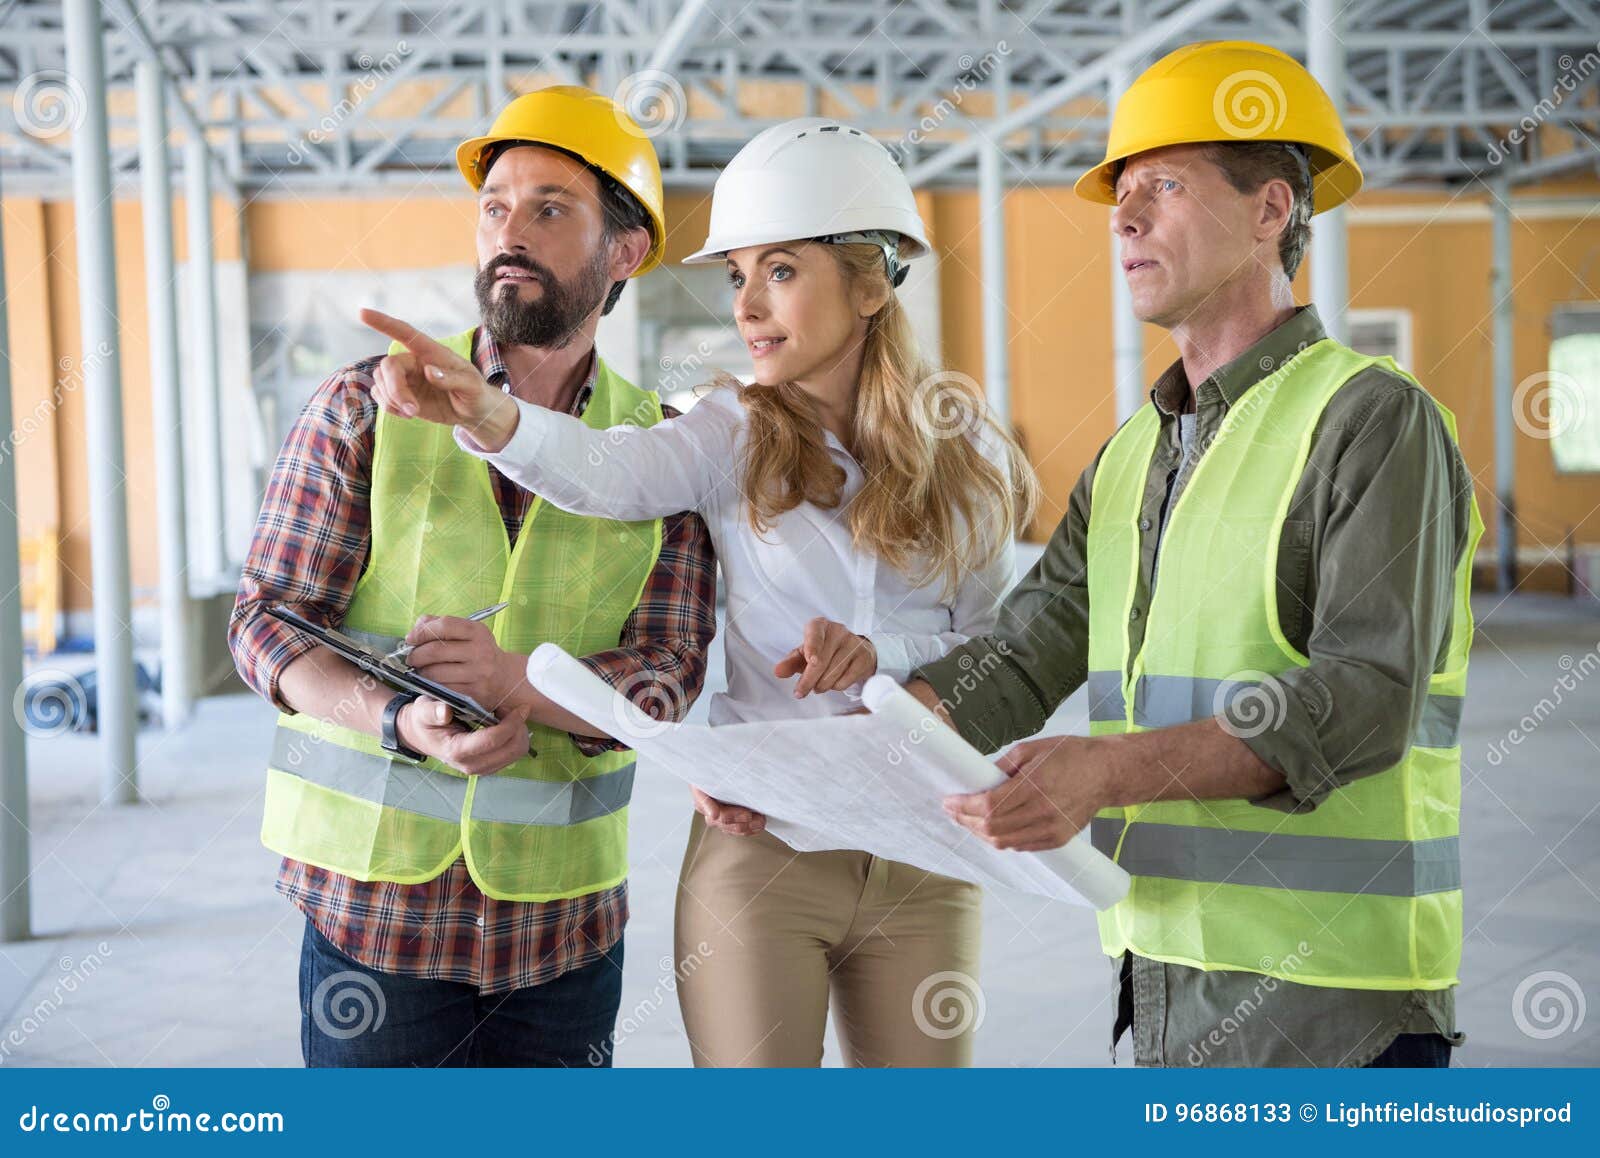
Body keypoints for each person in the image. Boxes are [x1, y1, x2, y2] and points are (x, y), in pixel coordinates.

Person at [360, 116, 1040, 1067]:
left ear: (874, 279)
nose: (748, 306)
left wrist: (882, 658)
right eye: (737, 276)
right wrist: (491, 413)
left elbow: (999, 655)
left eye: (782, 271)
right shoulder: (729, 430)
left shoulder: (965, 450)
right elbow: (607, 471)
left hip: (925, 848)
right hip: (763, 853)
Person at [909, 40, 1485, 1068]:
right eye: (1119, 196)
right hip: (1162, 977)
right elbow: (1033, 645)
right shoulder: (1133, 451)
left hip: (1331, 1005)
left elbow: (1363, 696)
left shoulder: (1372, 421)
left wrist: (1101, 772)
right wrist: (863, 736)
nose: (1122, 219)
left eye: (1160, 188)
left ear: (1271, 210)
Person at [229, 86, 718, 1067]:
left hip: (562, 941)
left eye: (549, 208)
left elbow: (664, 676)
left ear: (624, 252)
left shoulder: (666, 454)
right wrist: (392, 718)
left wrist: (517, 687)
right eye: (495, 204)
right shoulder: (359, 407)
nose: (510, 231)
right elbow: (265, 622)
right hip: (373, 923)